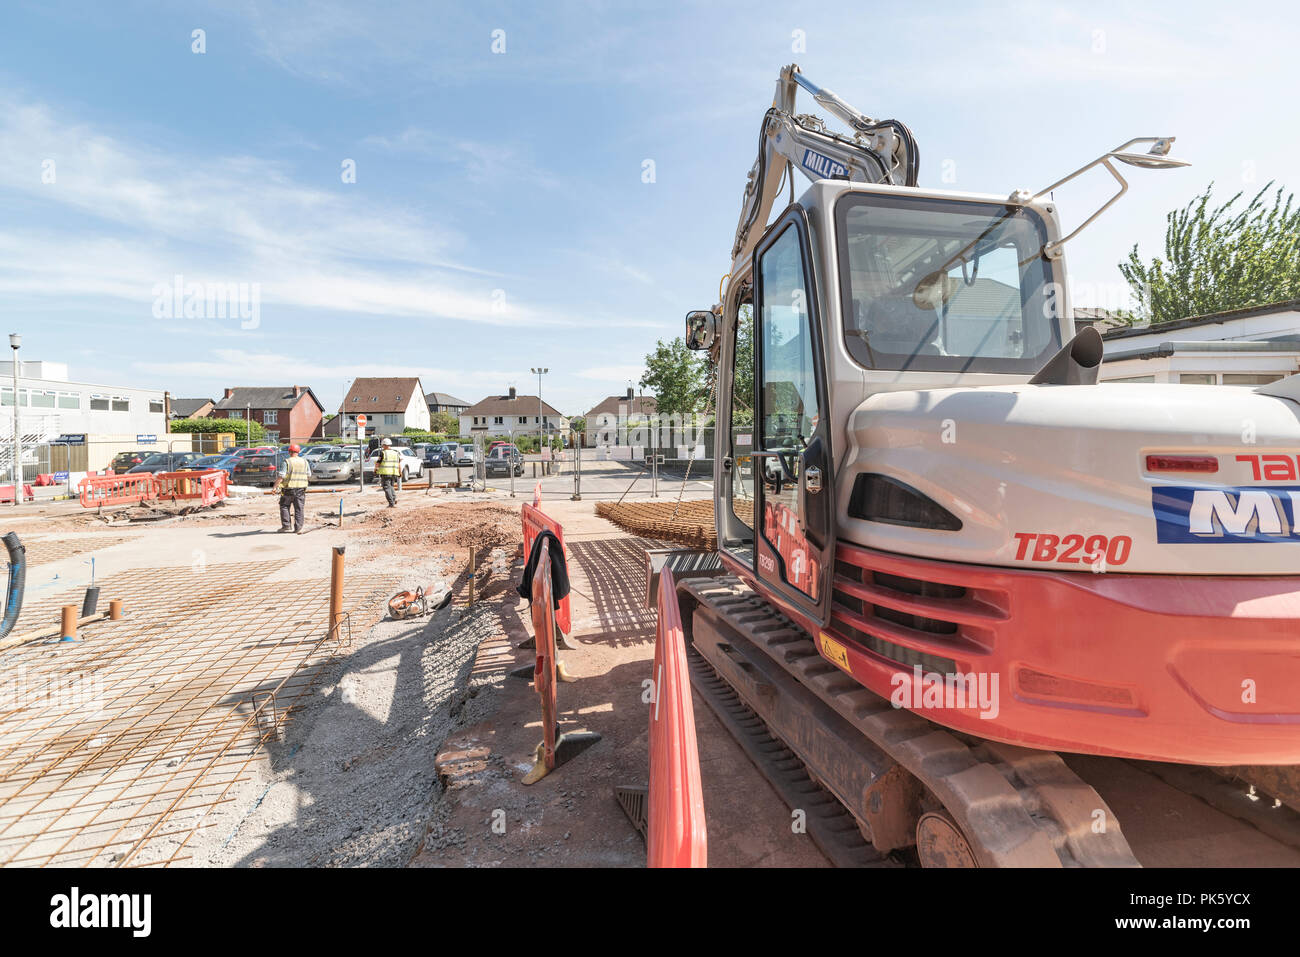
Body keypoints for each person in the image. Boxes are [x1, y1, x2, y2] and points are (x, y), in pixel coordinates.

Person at [277, 444, 310, 533]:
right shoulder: (304, 461)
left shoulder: (287, 461)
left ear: (289, 452)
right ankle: (298, 528)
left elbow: (281, 476)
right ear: (298, 452)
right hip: (301, 489)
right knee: (299, 508)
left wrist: (275, 487)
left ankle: (286, 526)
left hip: (288, 489)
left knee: (284, 506)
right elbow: (308, 475)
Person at [376, 437, 401, 507]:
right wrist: (400, 472)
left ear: (385, 445)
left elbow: (378, 462)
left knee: (386, 487)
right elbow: (399, 463)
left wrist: (375, 470)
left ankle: (391, 503)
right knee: (391, 486)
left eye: (383, 445)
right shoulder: (396, 453)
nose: (382, 447)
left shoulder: (383, 453)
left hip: (386, 473)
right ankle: (393, 499)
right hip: (394, 472)